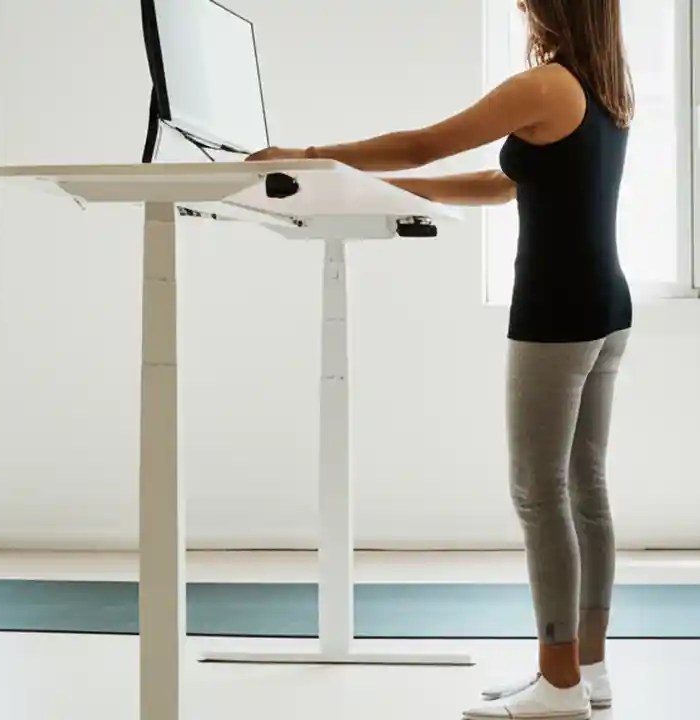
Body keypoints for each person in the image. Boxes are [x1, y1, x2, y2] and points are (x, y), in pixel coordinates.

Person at [249, 0, 633, 717]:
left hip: (558, 310)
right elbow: (504, 184)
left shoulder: (546, 85)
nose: (522, 7)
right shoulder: (607, 88)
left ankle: (558, 686)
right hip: (607, 306)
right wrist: (391, 191)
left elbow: (428, 142)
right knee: (585, 488)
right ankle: (589, 668)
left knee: (538, 492)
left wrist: (308, 158)